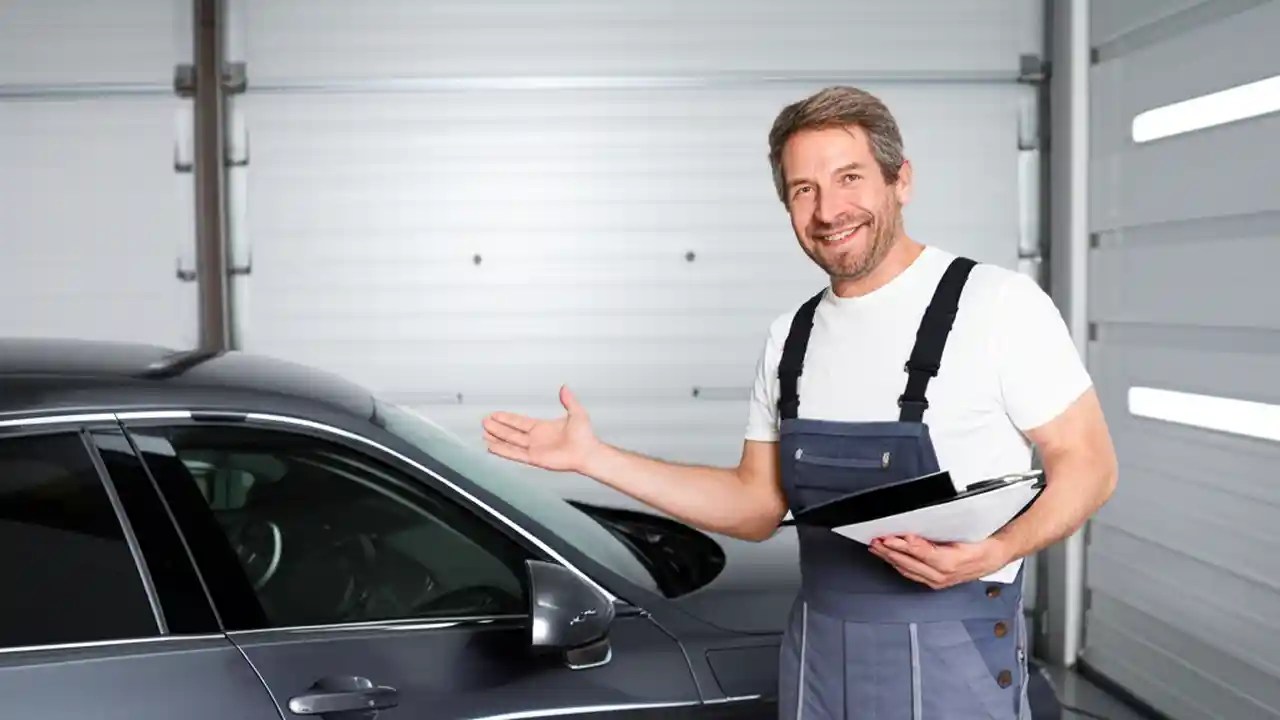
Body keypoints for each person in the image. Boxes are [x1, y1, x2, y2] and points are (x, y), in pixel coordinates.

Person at [482, 86, 1118, 720]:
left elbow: (1089, 464)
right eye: (803, 189)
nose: (828, 209)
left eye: (849, 178)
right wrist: (593, 458)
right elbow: (755, 505)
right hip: (818, 663)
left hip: (957, 662)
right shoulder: (792, 337)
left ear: (900, 180)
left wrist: (999, 549)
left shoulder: (996, 305)